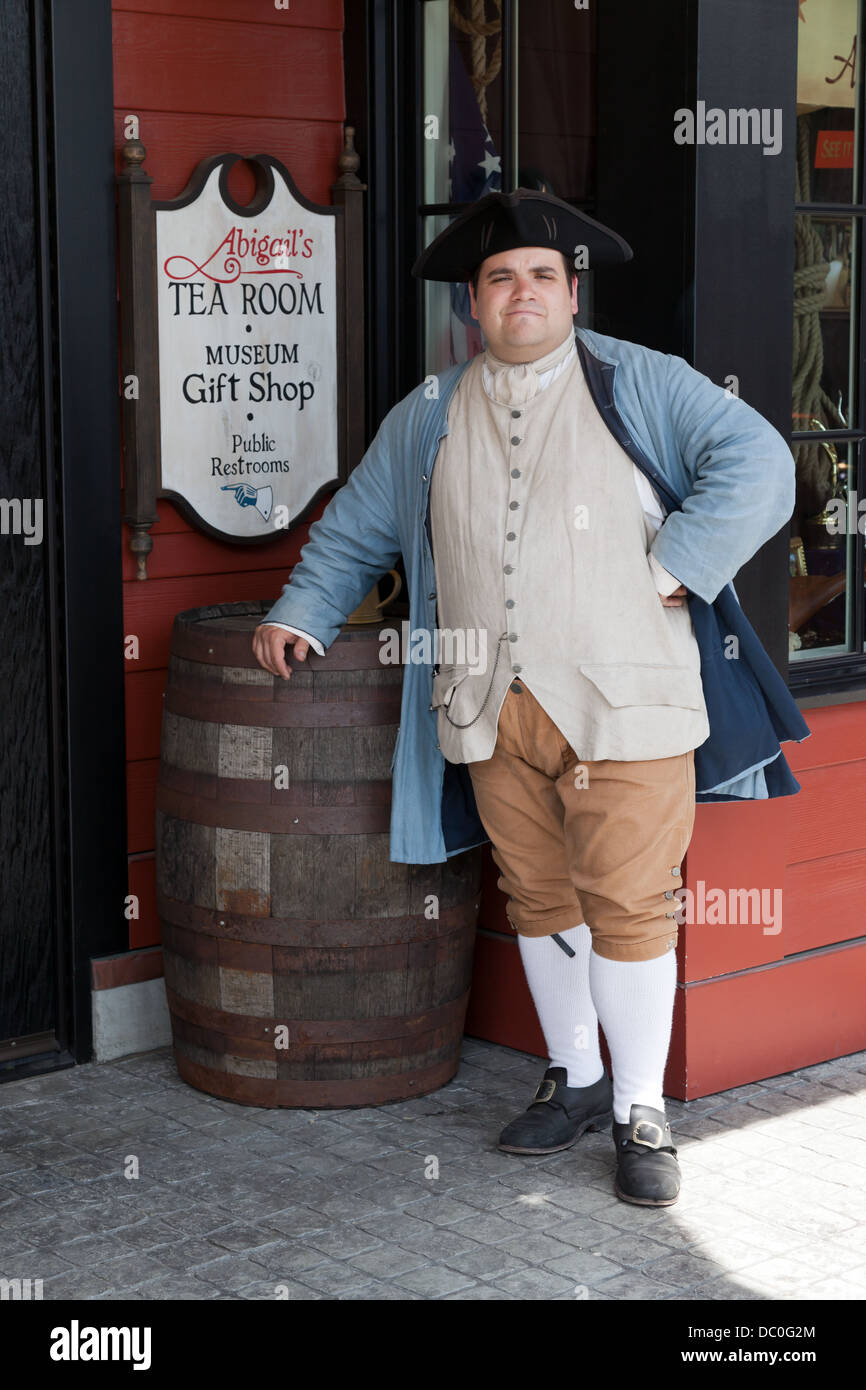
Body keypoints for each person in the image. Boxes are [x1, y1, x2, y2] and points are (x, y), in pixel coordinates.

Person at [252, 189, 807, 1206]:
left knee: (632, 901)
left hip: (627, 705)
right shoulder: (426, 411)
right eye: (500, 277)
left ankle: (642, 1106)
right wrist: (300, 607)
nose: (520, 293)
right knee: (542, 897)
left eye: (539, 276)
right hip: (485, 703)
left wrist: (677, 560)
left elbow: (760, 464)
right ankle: (578, 1078)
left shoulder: (640, 381)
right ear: (474, 299)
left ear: (569, 291)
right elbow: (354, 527)